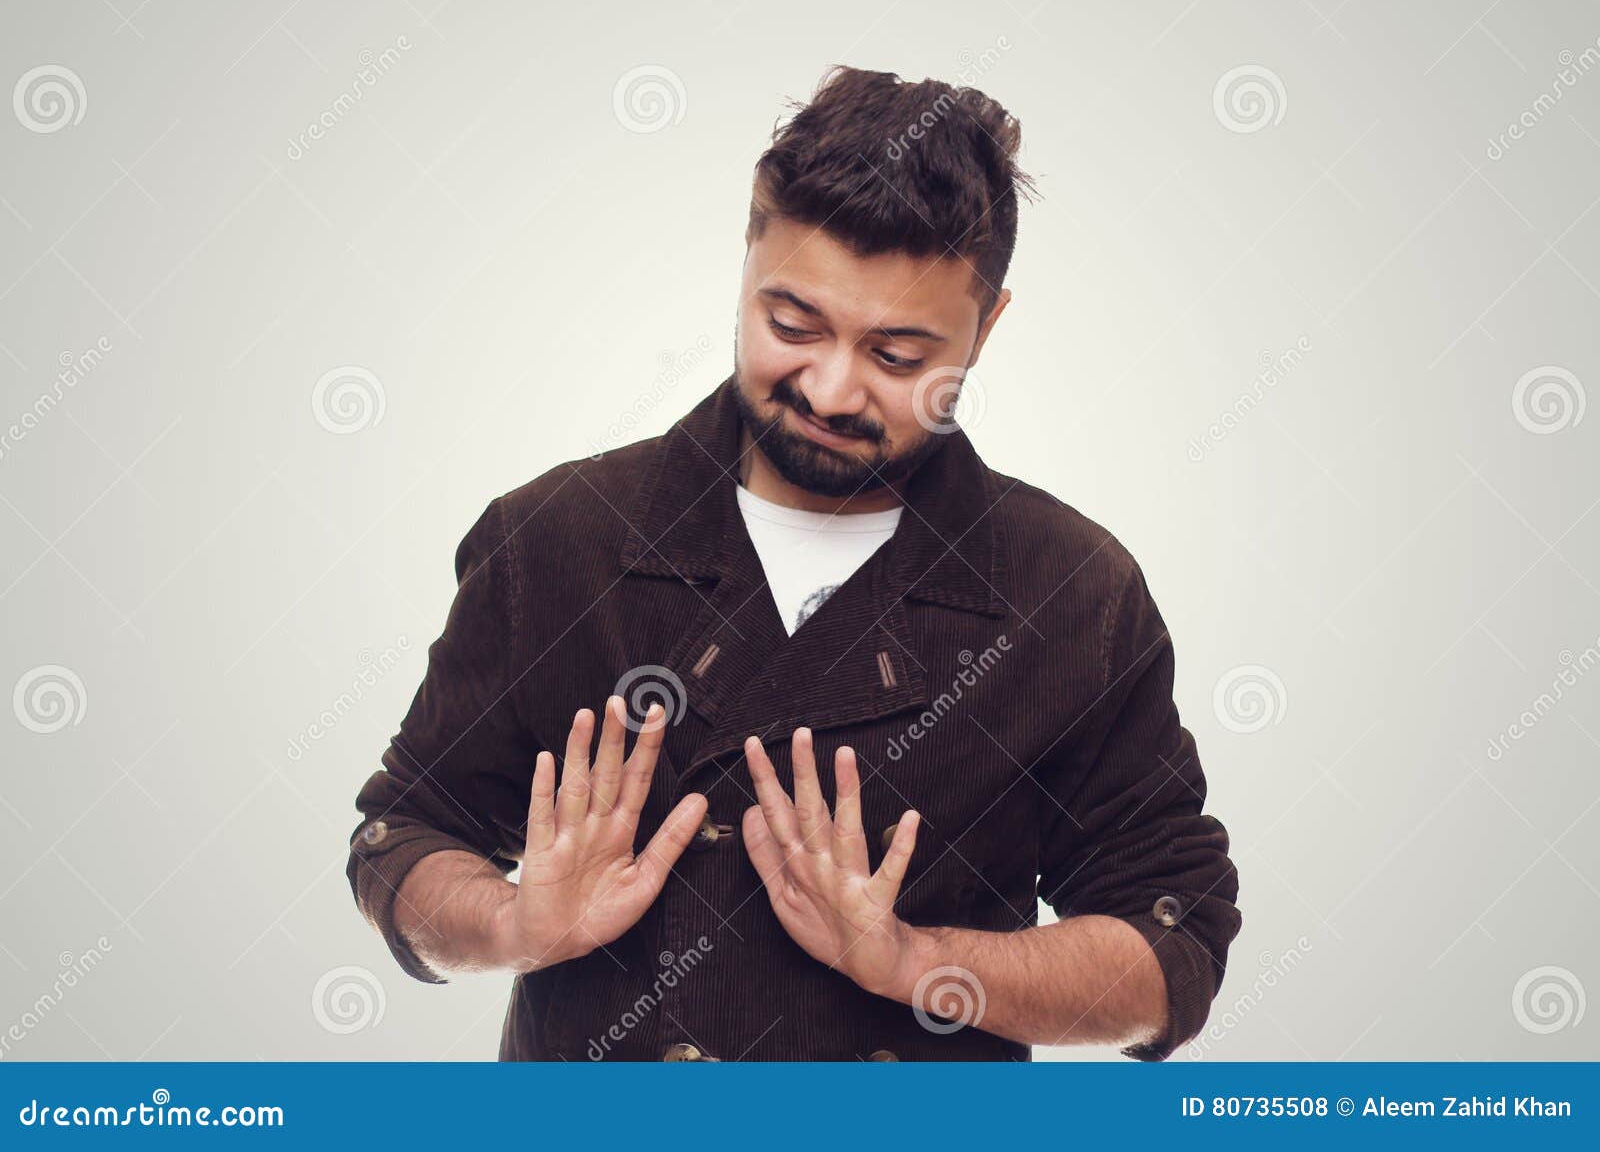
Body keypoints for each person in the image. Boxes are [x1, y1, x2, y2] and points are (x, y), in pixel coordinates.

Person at [346, 64, 1241, 1062]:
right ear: (744, 262)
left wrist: (914, 960)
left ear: (986, 328)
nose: (829, 386)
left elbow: (1172, 948)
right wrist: (511, 923)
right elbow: (404, 836)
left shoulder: (1071, 591)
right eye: (792, 324)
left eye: (897, 356)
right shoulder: (554, 537)